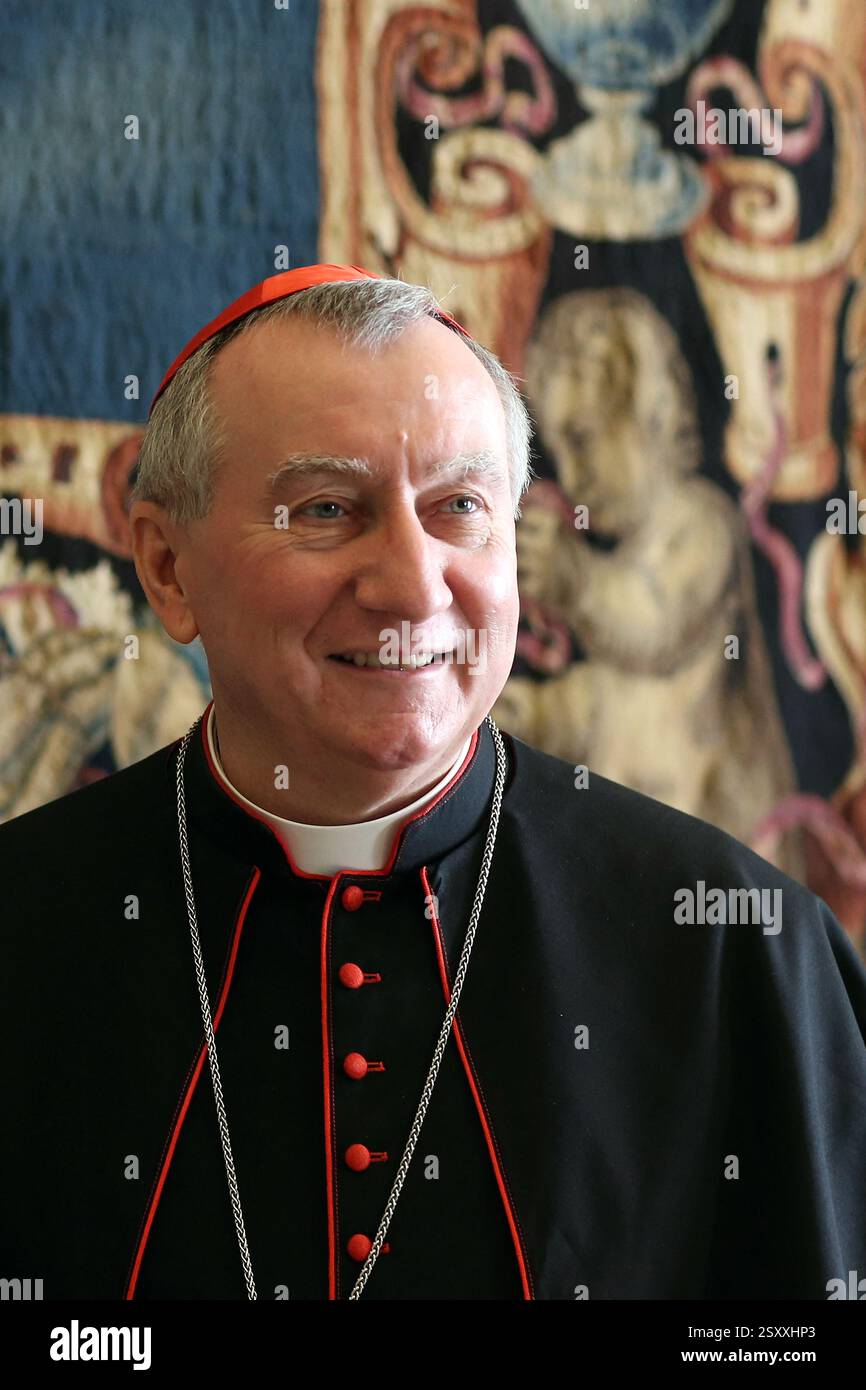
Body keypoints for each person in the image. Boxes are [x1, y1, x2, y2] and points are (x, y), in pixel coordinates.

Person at [1, 264, 865, 1302]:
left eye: (457, 506)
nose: (412, 583)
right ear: (167, 568)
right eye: (325, 508)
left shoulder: (740, 949)